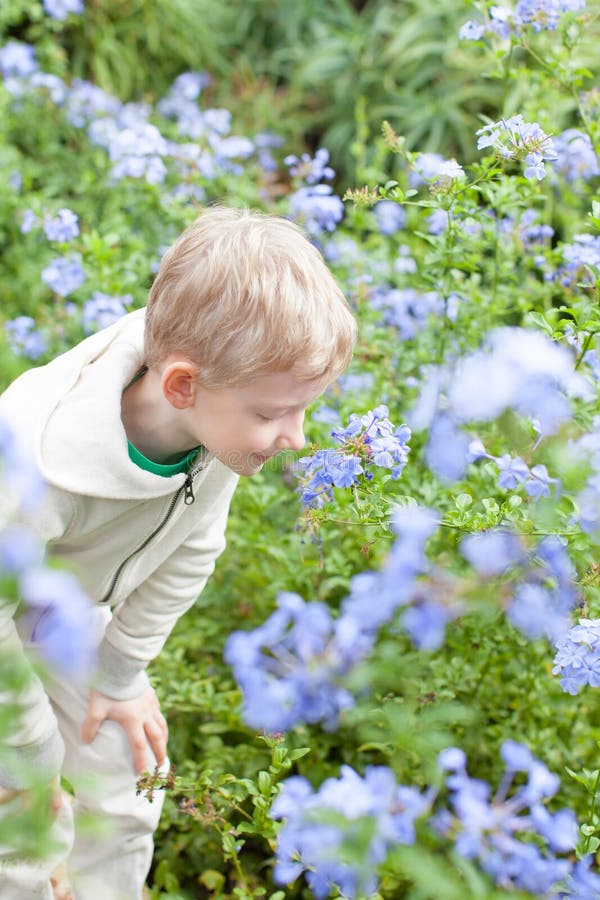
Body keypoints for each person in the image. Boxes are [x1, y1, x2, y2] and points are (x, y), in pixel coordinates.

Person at [0, 206, 357, 899]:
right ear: (182, 386)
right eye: (272, 412)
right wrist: (30, 745)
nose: (296, 437)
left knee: (131, 775)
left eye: (302, 408)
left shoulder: (214, 424)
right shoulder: (37, 458)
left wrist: (122, 673)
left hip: (60, 615)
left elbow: (194, 550)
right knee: (24, 805)